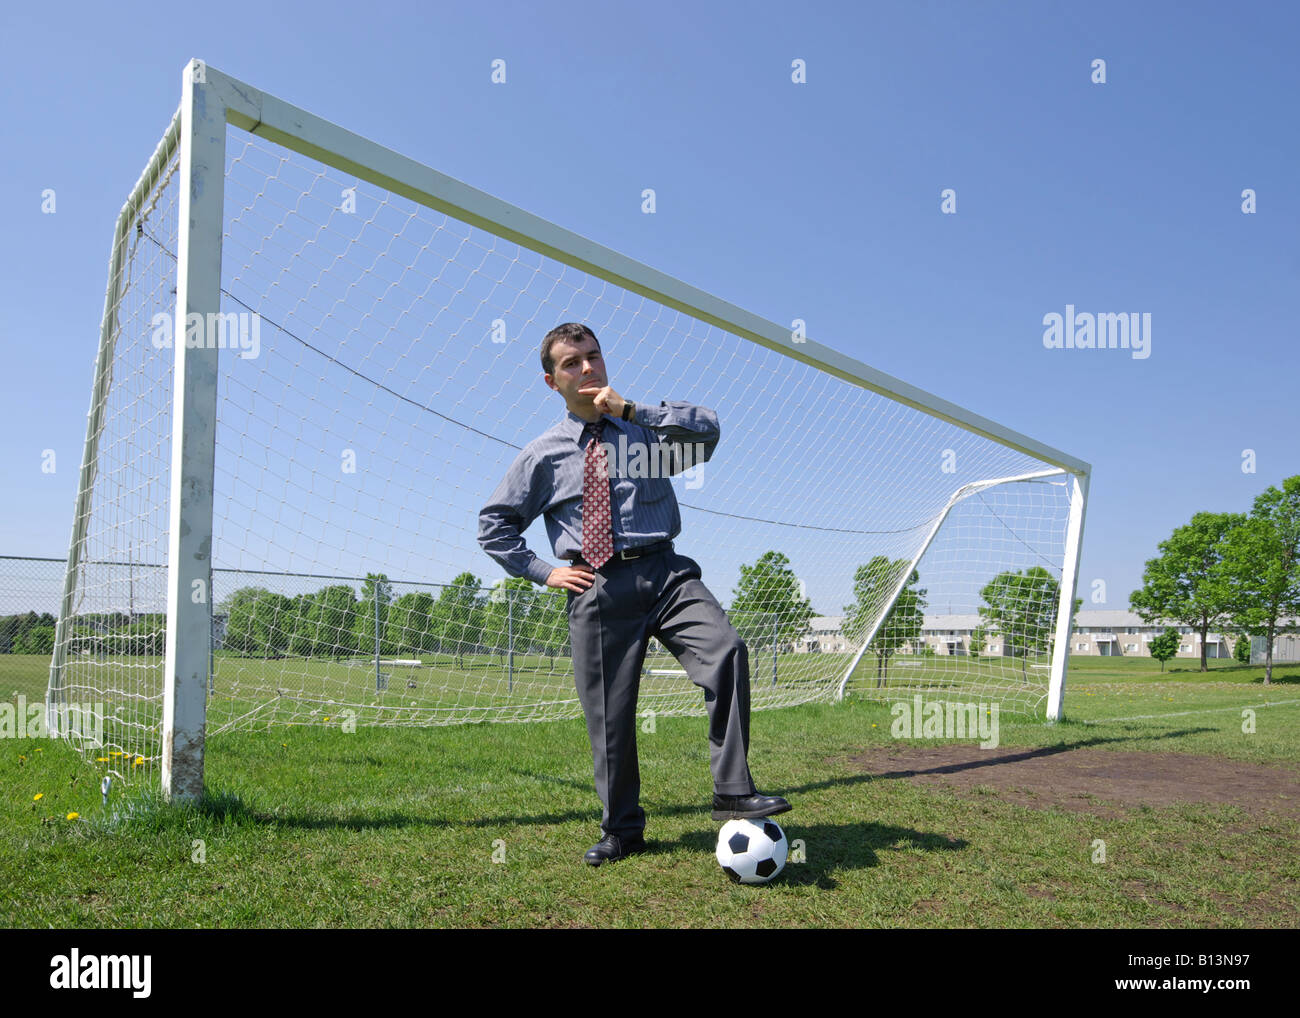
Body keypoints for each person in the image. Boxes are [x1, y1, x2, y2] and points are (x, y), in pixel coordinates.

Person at [477, 322, 790, 865]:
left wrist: (634, 412)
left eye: (593, 356)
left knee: (727, 651)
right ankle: (622, 830)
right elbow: (494, 525)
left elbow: (708, 434)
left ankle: (732, 789)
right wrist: (543, 571)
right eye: (571, 363)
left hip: (667, 574)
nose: (587, 368)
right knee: (610, 716)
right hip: (597, 586)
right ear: (552, 382)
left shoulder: (642, 434)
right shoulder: (542, 455)